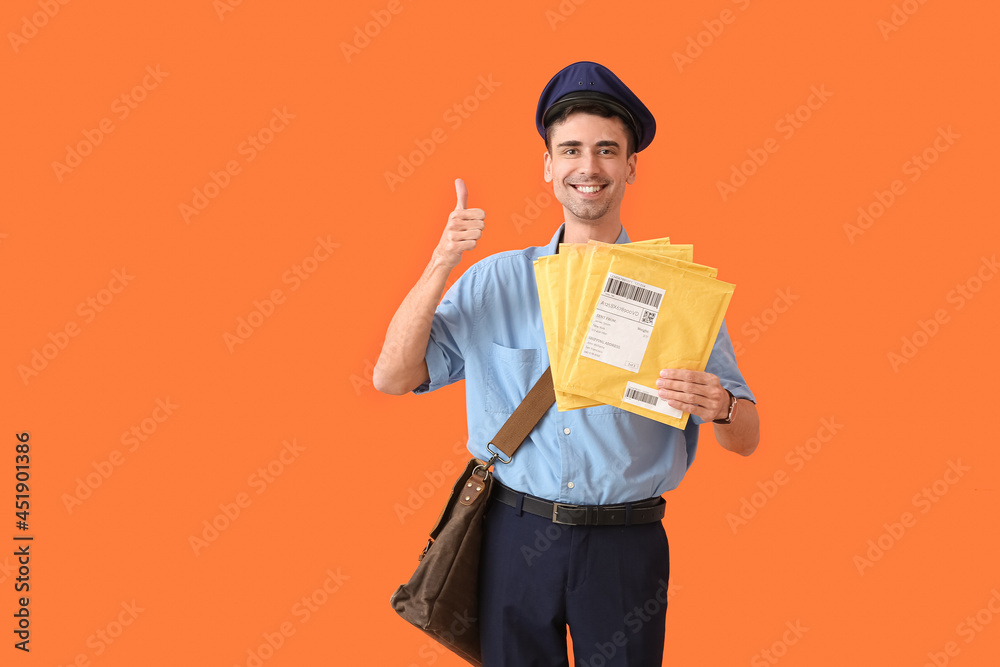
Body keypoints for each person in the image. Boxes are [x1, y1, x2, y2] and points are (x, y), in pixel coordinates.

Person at [375, 61, 760, 667]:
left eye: (608, 150)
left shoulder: (677, 293)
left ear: (631, 166)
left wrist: (723, 406)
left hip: (626, 544)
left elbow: (746, 439)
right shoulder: (494, 282)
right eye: (571, 149)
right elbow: (392, 378)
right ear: (549, 167)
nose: (589, 166)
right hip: (513, 534)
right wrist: (440, 262)